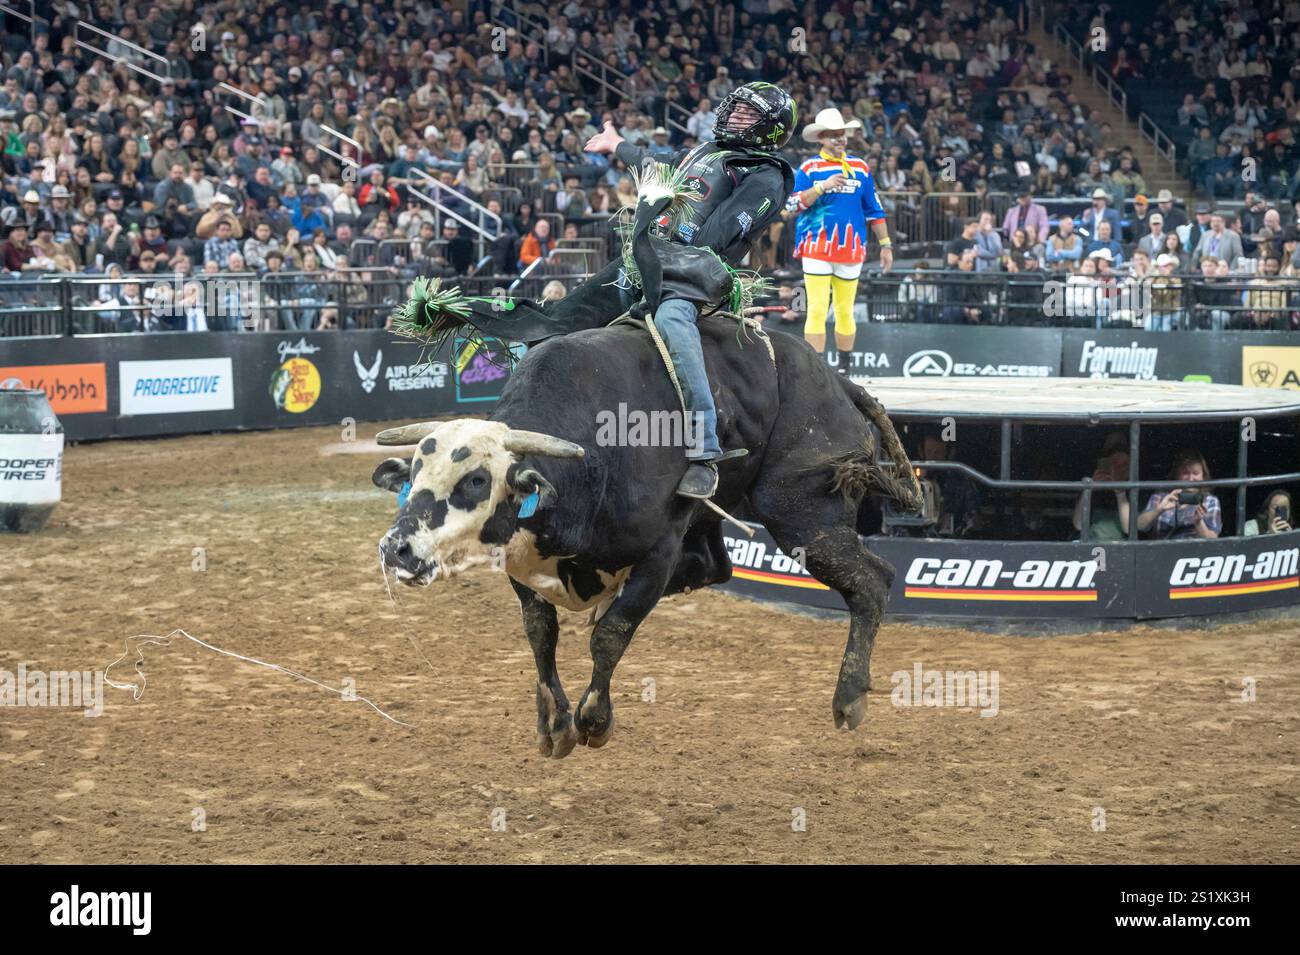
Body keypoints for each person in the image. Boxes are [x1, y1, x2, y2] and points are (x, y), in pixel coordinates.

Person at [581, 82, 796, 498]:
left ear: (770, 130)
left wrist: (679, 258)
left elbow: (726, 229)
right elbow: (656, 162)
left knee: (672, 320)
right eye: (734, 109)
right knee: (579, 304)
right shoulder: (702, 153)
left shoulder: (767, 174)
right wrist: (618, 144)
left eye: (747, 115)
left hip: (699, 271)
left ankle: (704, 449)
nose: (734, 117)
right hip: (651, 259)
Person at [789, 107, 893, 360]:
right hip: (816, 247)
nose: (840, 139)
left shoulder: (861, 167)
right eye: (833, 135)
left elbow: (874, 209)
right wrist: (821, 187)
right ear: (821, 138)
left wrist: (886, 245)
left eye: (843, 134)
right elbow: (791, 206)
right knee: (816, 309)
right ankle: (816, 374)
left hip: (852, 248)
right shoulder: (809, 168)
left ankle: (845, 372)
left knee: (845, 310)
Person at [1137, 449, 1221, 540]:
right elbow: (1140, 526)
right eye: (1185, 473)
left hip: (1194, 552)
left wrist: (1198, 523)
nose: (1191, 478)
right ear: (1176, 475)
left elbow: (1212, 539)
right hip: (1160, 551)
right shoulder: (1160, 497)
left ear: (1203, 476)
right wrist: (1159, 510)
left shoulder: (1210, 501)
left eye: (1195, 473)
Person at [1072, 433, 1131, 541]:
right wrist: (1090, 490)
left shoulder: (1135, 490)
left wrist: (1120, 493)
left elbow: (1130, 529)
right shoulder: (1092, 487)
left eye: (1125, 464)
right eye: (1115, 463)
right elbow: (1078, 524)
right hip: (1090, 545)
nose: (1120, 468)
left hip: (1121, 548)